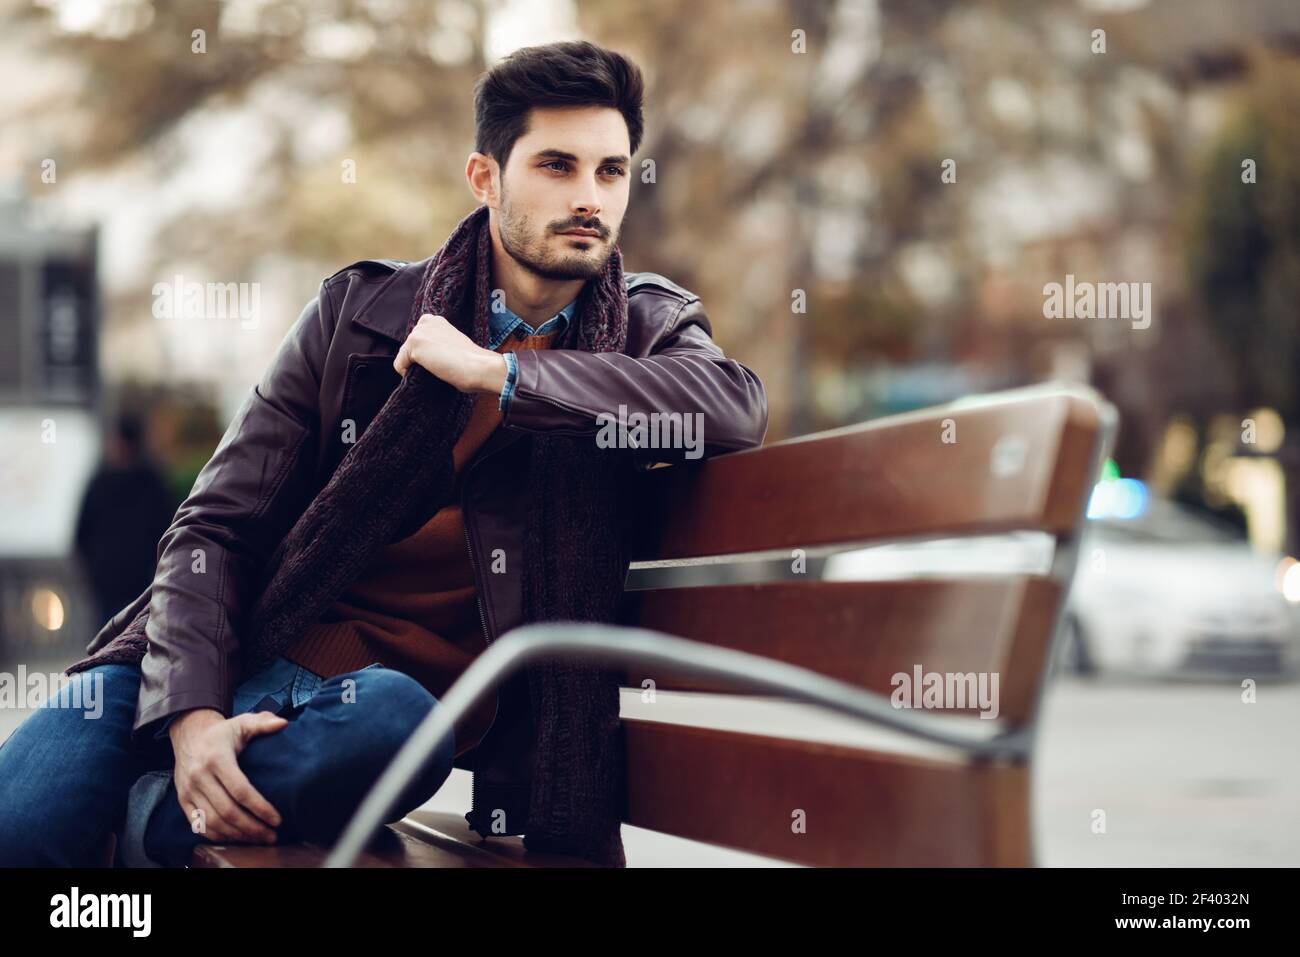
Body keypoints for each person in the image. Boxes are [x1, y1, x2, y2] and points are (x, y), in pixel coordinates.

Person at [0, 39, 768, 868]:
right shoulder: (360, 312)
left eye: (611, 171)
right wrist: (191, 721)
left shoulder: (649, 330)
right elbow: (211, 529)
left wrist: (501, 375)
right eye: (556, 166)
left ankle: (156, 820)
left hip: (364, 714)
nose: (589, 198)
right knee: (25, 823)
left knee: (398, 721)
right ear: (486, 177)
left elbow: (731, 408)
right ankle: (182, 779)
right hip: (223, 656)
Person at [73, 411, 178, 630]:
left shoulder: (99, 481)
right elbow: (169, 529)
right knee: (135, 635)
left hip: (107, 579)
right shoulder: (153, 482)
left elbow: (81, 533)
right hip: (139, 579)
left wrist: (92, 569)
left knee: (104, 639)